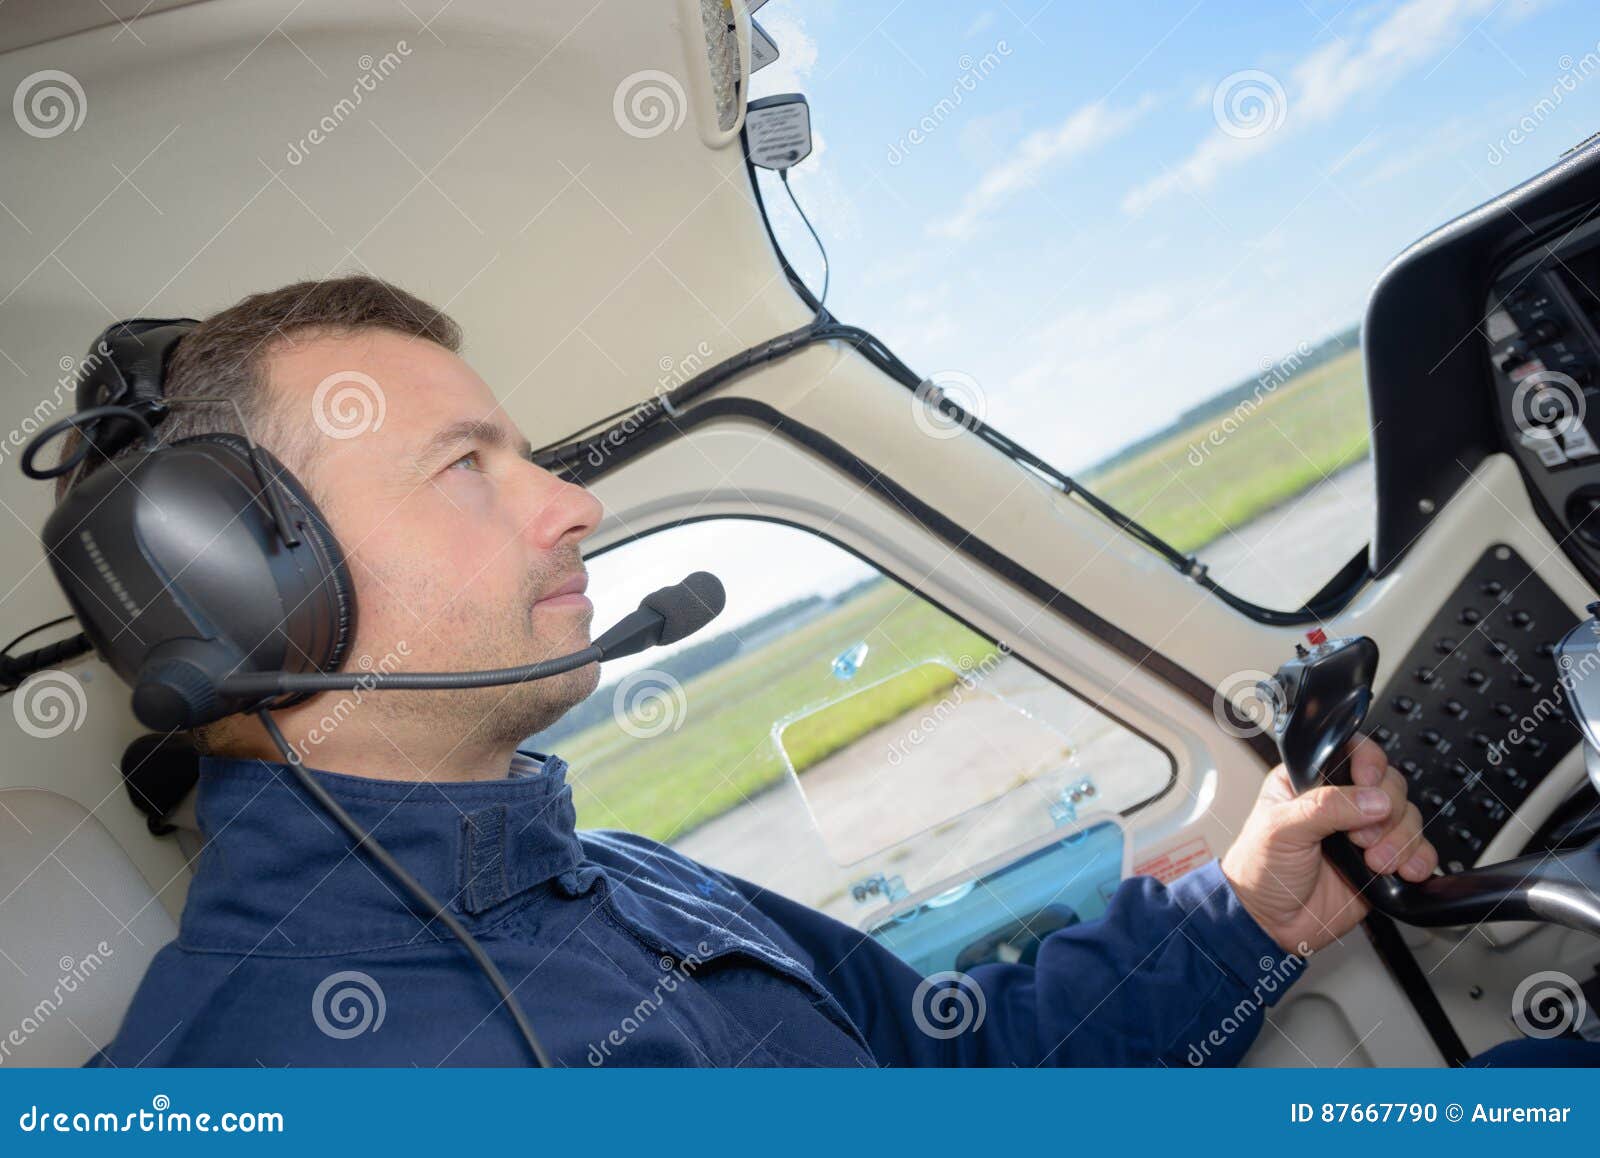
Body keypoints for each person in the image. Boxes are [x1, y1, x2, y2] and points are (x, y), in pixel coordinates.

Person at [78, 276, 1437, 1067]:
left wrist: (1250, 914)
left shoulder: (614, 874)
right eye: (466, 465)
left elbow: (944, 1068)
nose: (570, 504)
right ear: (248, 592)